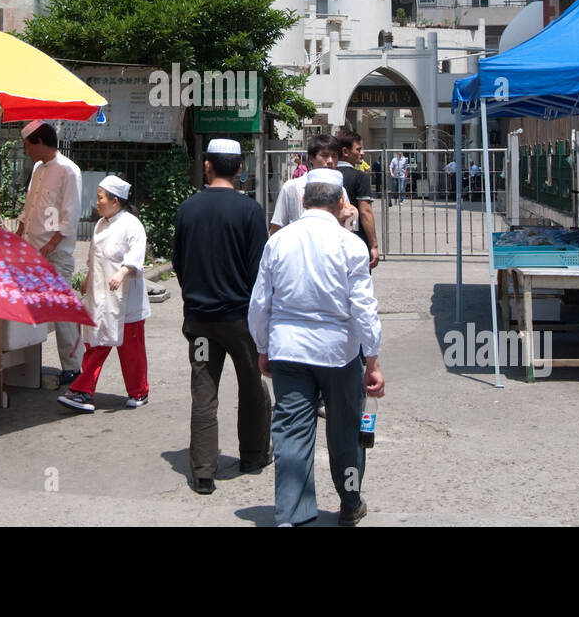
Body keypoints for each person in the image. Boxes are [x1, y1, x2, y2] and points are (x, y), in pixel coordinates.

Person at [248, 169, 384, 527]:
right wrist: (373, 360)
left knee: (291, 432)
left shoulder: (278, 241)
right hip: (339, 353)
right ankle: (350, 502)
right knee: (346, 432)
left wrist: (263, 346)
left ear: (304, 200)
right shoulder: (350, 244)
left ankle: (291, 514)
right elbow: (363, 308)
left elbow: (260, 301)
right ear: (342, 202)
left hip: (288, 352)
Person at [173, 139, 272, 495]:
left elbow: (179, 264)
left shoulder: (187, 209)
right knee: (251, 386)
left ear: (208, 166)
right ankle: (253, 455)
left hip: (200, 321)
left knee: (204, 392)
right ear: (240, 169)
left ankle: (202, 471)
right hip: (239, 320)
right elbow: (259, 271)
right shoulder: (249, 211)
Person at [58, 176, 150, 412]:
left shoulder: (132, 225)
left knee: (131, 350)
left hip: (126, 299)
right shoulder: (100, 225)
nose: (97, 202)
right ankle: (83, 391)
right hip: (101, 297)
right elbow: (94, 255)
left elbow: (136, 256)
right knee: (97, 343)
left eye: (100, 197)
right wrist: (88, 278)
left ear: (115, 201)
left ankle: (139, 391)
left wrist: (122, 272)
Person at [17, 120, 84, 384]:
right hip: (32, 250)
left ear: (39, 143)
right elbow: (30, 204)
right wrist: (18, 236)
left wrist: (51, 245)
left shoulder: (69, 171)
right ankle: (27, 363)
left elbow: (70, 215)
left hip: (55, 254)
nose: (26, 151)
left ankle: (73, 366)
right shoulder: (37, 168)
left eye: (27, 145)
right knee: (29, 308)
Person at [270, 134, 357, 235]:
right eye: (325, 156)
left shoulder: (341, 190)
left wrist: (350, 217)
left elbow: (350, 229)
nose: (330, 161)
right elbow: (277, 226)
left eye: (334, 156)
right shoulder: (292, 187)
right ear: (311, 158)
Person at [336, 130, 380, 269]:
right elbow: (365, 211)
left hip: (330, 240)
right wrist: (373, 245)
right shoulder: (359, 177)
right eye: (358, 149)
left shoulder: (326, 175)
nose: (362, 153)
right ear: (345, 151)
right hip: (355, 237)